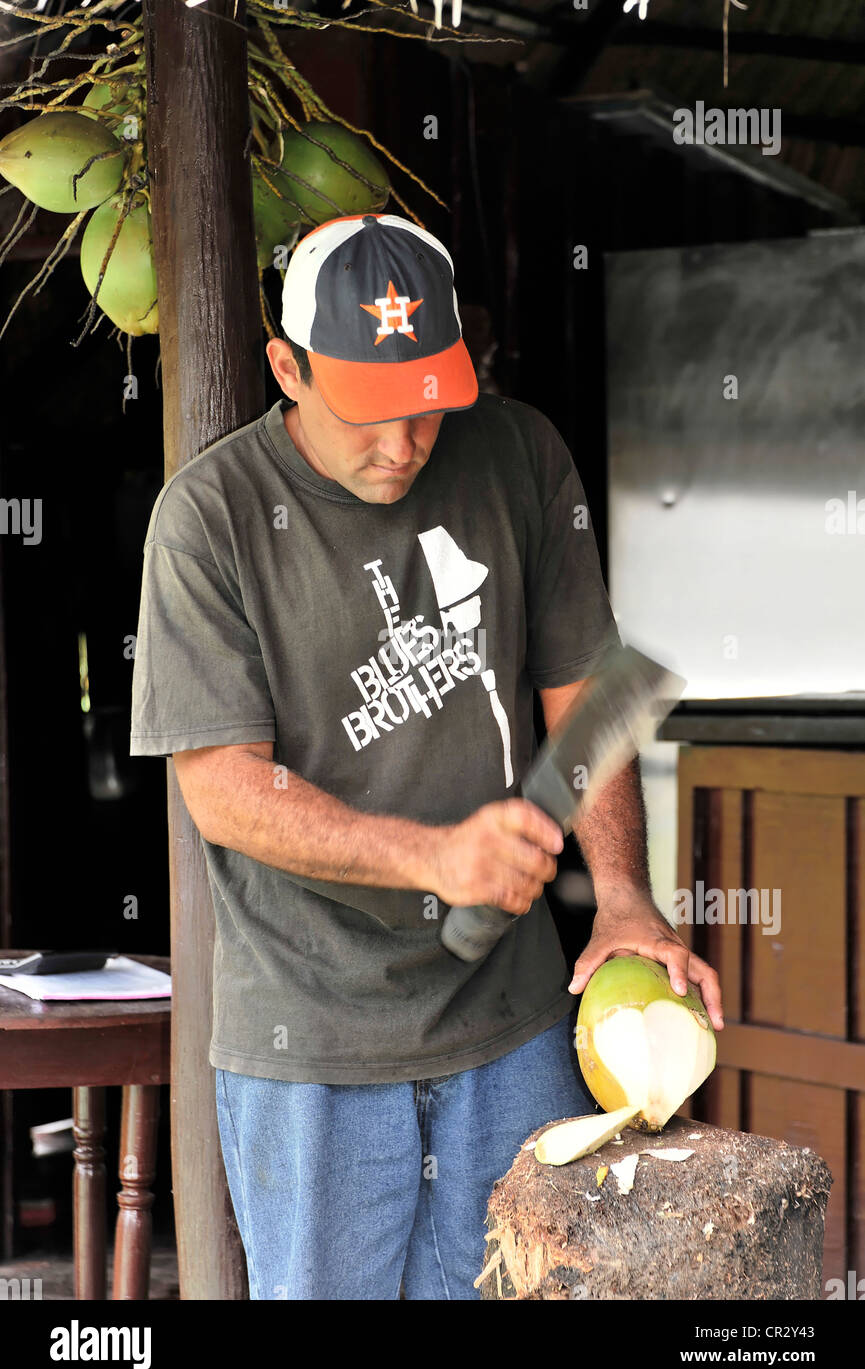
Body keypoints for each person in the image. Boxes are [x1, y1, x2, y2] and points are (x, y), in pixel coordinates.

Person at [129, 211, 723, 1301]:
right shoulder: (208, 520)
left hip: (513, 1023)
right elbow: (220, 789)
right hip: (312, 1034)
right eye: (367, 410)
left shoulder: (517, 453)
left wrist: (627, 897)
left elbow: (584, 697)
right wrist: (434, 858)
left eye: (427, 405)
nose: (401, 443)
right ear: (286, 368)